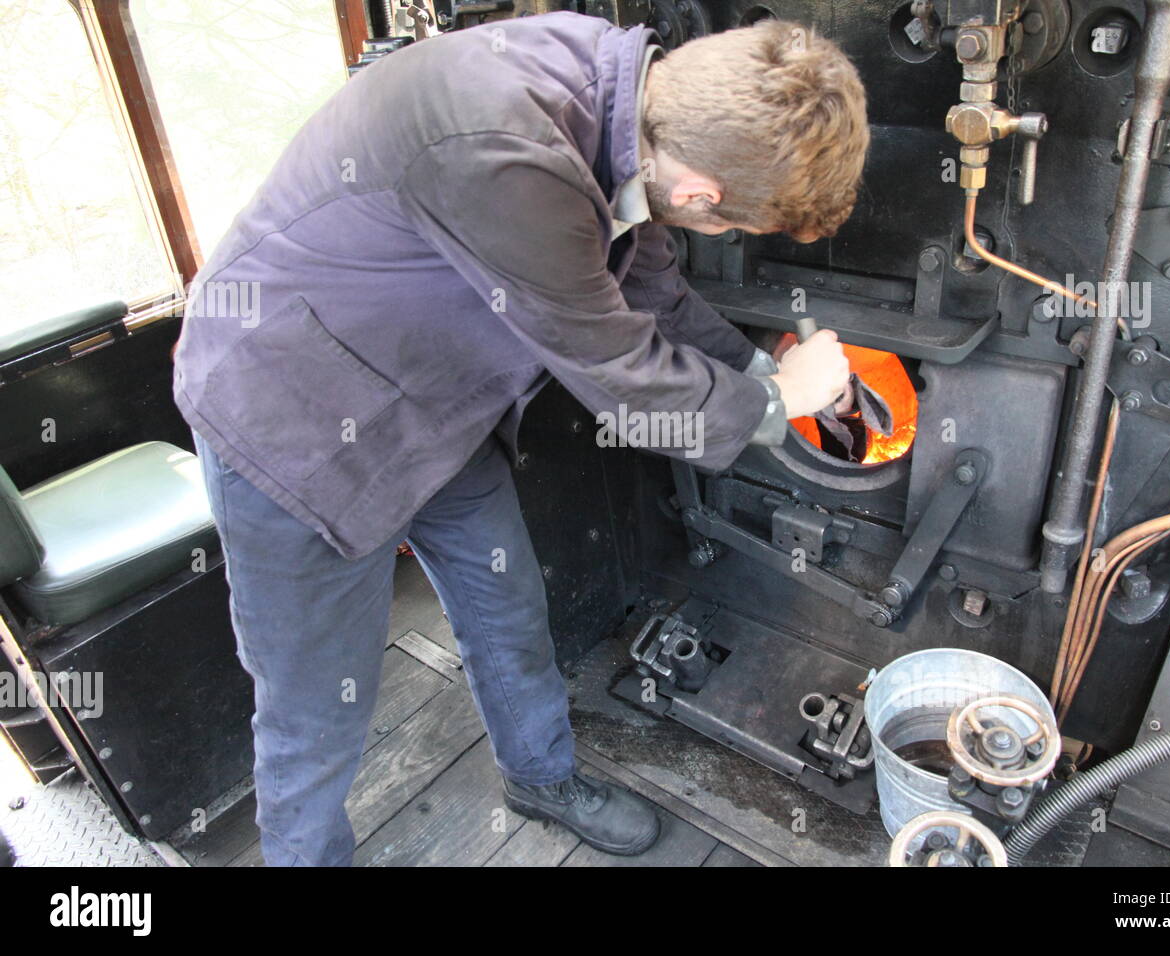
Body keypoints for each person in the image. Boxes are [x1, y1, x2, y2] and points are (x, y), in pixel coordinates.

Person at [172, 11, 867, 865]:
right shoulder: (508, 147)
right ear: (701, 197)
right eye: (728, 229)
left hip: (432, 405)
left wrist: (766, 373)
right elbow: (622, 378)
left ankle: (538, 775)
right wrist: (774, 408)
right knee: (315, 709)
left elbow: (655, 299)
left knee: (506, 609)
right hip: (294, 418)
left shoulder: (636, 110)